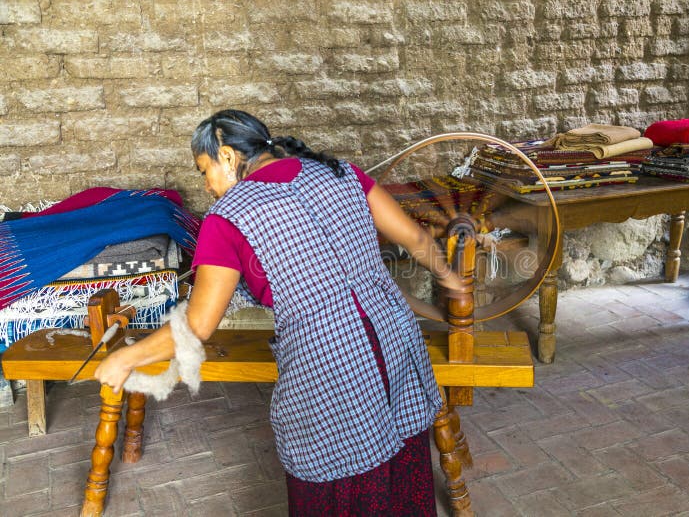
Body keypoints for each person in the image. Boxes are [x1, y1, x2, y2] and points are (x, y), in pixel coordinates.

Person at [94, 109, 468, 515]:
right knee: (400, 471)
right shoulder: (339, 172)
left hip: (332, 364)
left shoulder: (228, 216)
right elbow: (414, 236)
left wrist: (125, 358)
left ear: (226, 155)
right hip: (396, 340)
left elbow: (199, 325)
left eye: (205, 171)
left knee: (340, 478)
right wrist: (450, 278)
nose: (207, 186)